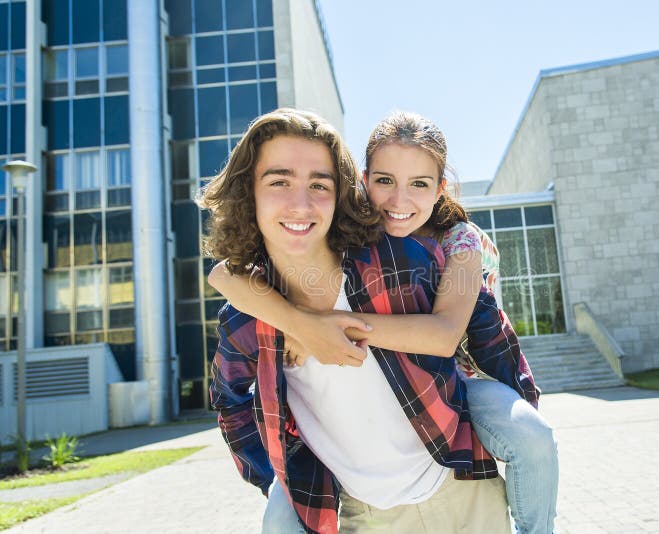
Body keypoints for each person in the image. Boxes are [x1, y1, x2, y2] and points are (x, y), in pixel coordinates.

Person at [209, 111, 558, 533]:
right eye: (279, 182)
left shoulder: (438, 251)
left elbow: (468, 335)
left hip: (460, 454)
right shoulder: (251, 312)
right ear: (362, 182)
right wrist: (275, 477)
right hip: (365, 513)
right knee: (279, 520)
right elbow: (223, 284)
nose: (399, 201)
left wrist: (323, 325)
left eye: (318, 185)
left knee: (533, 437)